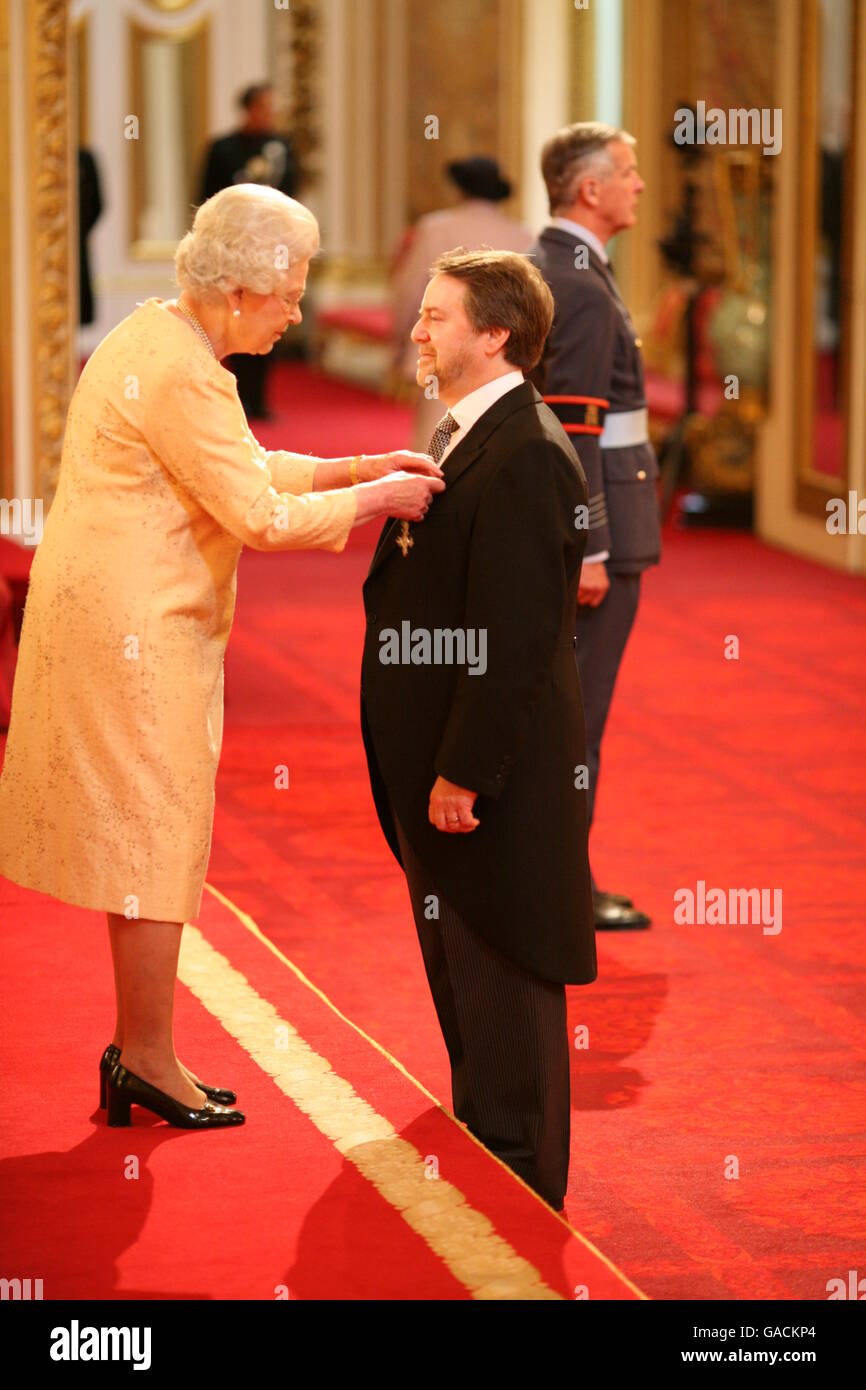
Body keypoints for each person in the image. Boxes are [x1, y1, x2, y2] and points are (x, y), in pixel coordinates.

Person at [0, 184, 443, 1132]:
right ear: (238, 289)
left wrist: (359, 468)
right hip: (135, 630)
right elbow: (259, 513)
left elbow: (241, 465)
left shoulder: (159, 336)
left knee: (141, 841)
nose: (297, 312)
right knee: (153, 843)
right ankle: (148, 1060)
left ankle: (140, 1052)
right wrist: (378, 505)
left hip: (123, 616)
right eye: (288, 293)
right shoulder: (183, 370)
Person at [361, 249, 596, 1211]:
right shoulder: (470, 431)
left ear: (493, 335)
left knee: (502, 971)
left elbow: (514, 638)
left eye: (436, 317)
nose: (417, 331)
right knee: (460, 967)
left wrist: (463, 771)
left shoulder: (530, 451)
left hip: (488, 777)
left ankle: (521, 1197)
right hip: (439, 767)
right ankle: (487, 1161)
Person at [528, 122, 662, 932]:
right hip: (600, 538)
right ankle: (558, 898)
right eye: (629, 172)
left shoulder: (565, 268)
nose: (640, 185)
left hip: (601, 527)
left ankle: (553, 886)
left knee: (569, 719)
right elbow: (575, 425)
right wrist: (595, 546)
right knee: (576, 724)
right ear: (591, 190)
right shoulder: (578, 281)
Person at [390, 156, 533, 449]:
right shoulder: (522, 235)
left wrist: (399, 343)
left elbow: (410, 290)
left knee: (436, 436)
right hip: (500, 353)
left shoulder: (435, 227)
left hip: (443, 346)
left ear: (459, 189)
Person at [199, 84, 298, 419]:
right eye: (264, 106)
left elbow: (292, 198)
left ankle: (261, 397)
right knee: (238, 315)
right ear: (248, 109)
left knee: (271, 315)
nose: (270, 113)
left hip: (273, 248)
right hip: (235, 249)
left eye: (273, 107)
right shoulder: (222, 148)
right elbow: (207, 198)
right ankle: (238, 396)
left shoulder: (282, 147)